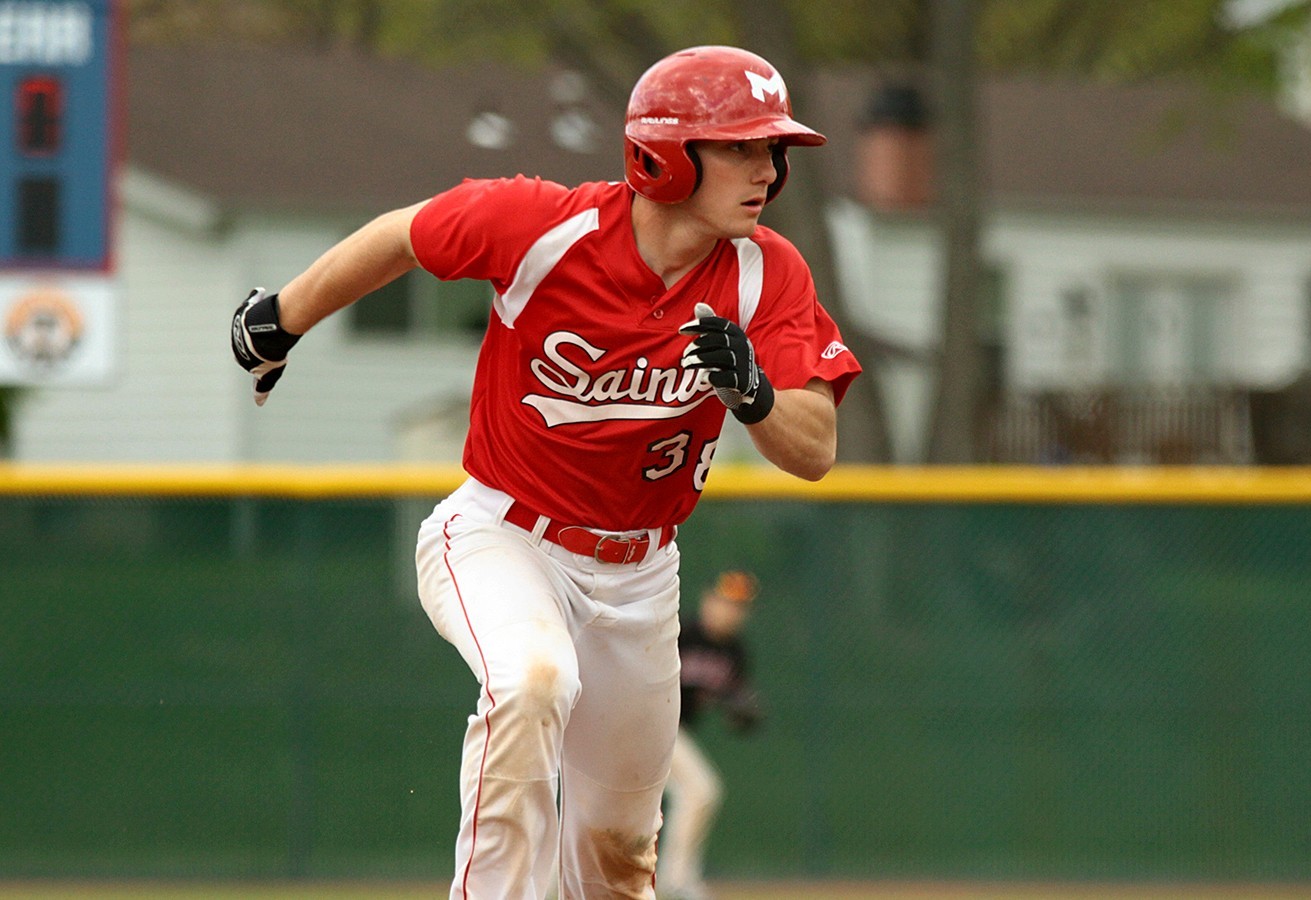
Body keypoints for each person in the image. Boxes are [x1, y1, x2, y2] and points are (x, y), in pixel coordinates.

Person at [230, 44, 861, 900]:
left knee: (615, 865)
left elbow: (815, 448)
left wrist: (752, 394)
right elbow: (403, 235)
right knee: (532, 679)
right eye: (741, 146)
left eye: (772, 149)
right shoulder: (541, 226)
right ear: (664, 156)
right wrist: (279, 320)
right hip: (501, 535)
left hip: (642, 580)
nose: (767, 169)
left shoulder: (766, 273)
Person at [658, 571, 764, 900]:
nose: (730, 611)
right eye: (725, 602)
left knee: (697, 792)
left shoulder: (735, 652)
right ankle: (675, 881)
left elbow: (739, 710)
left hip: (673, 732)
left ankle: (675, 880)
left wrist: (742, 714)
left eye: (739, 607)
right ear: (709, 600)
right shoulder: (680, 633)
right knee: (699, 790)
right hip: (644, 722)